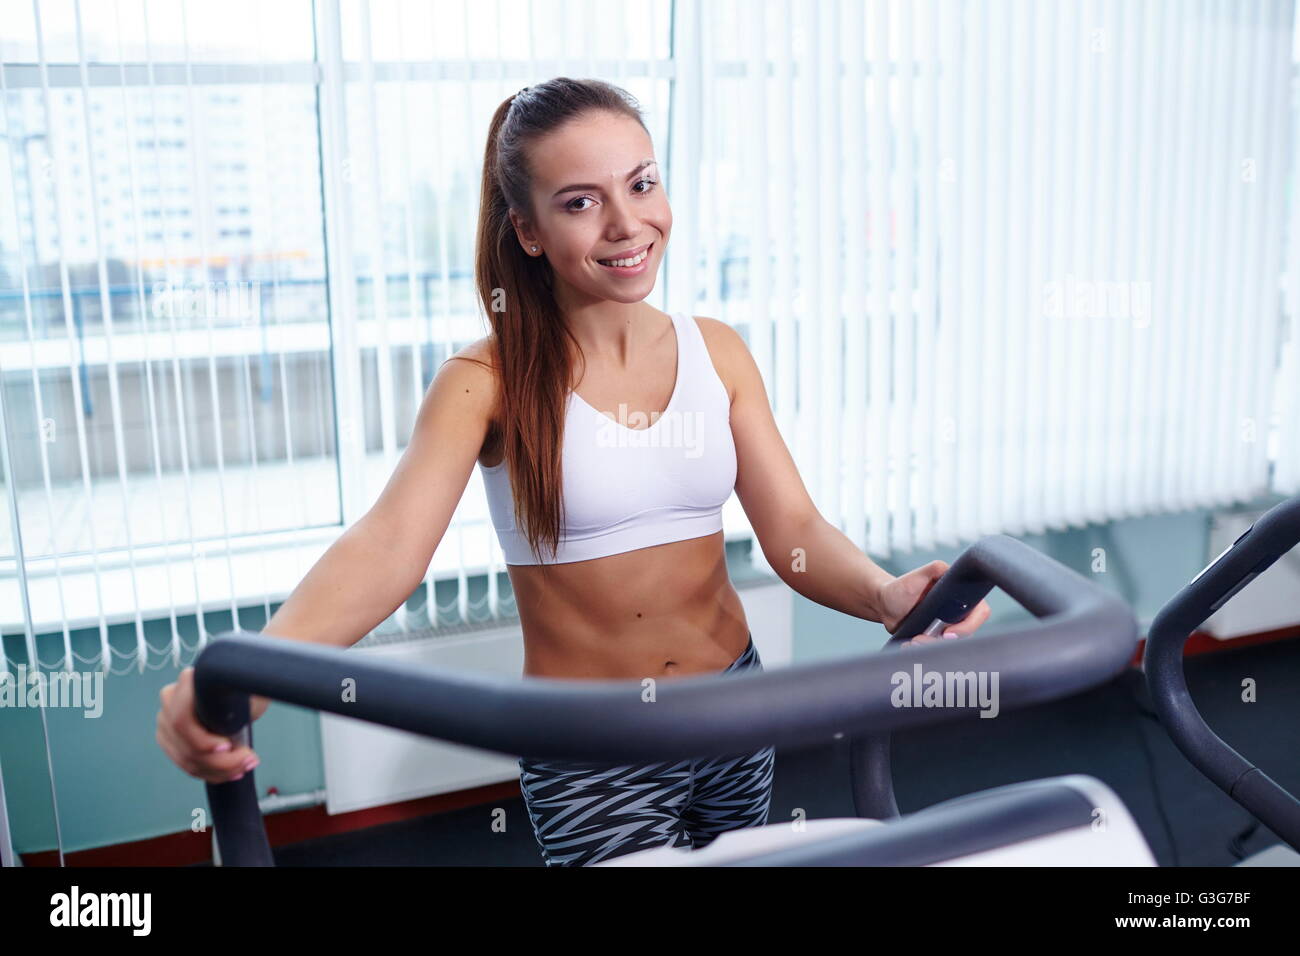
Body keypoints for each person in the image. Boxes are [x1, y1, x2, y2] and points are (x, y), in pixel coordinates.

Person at [155, 76, 991, 867]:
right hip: (592, 742)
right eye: (581, 202)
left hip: (735, 708)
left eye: (642, 183)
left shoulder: (718, 352)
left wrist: (885, 594)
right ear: (528, 231)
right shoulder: (484, 382)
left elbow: (795, 534)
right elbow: (386, 549)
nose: (628, 224)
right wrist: (246, 675)